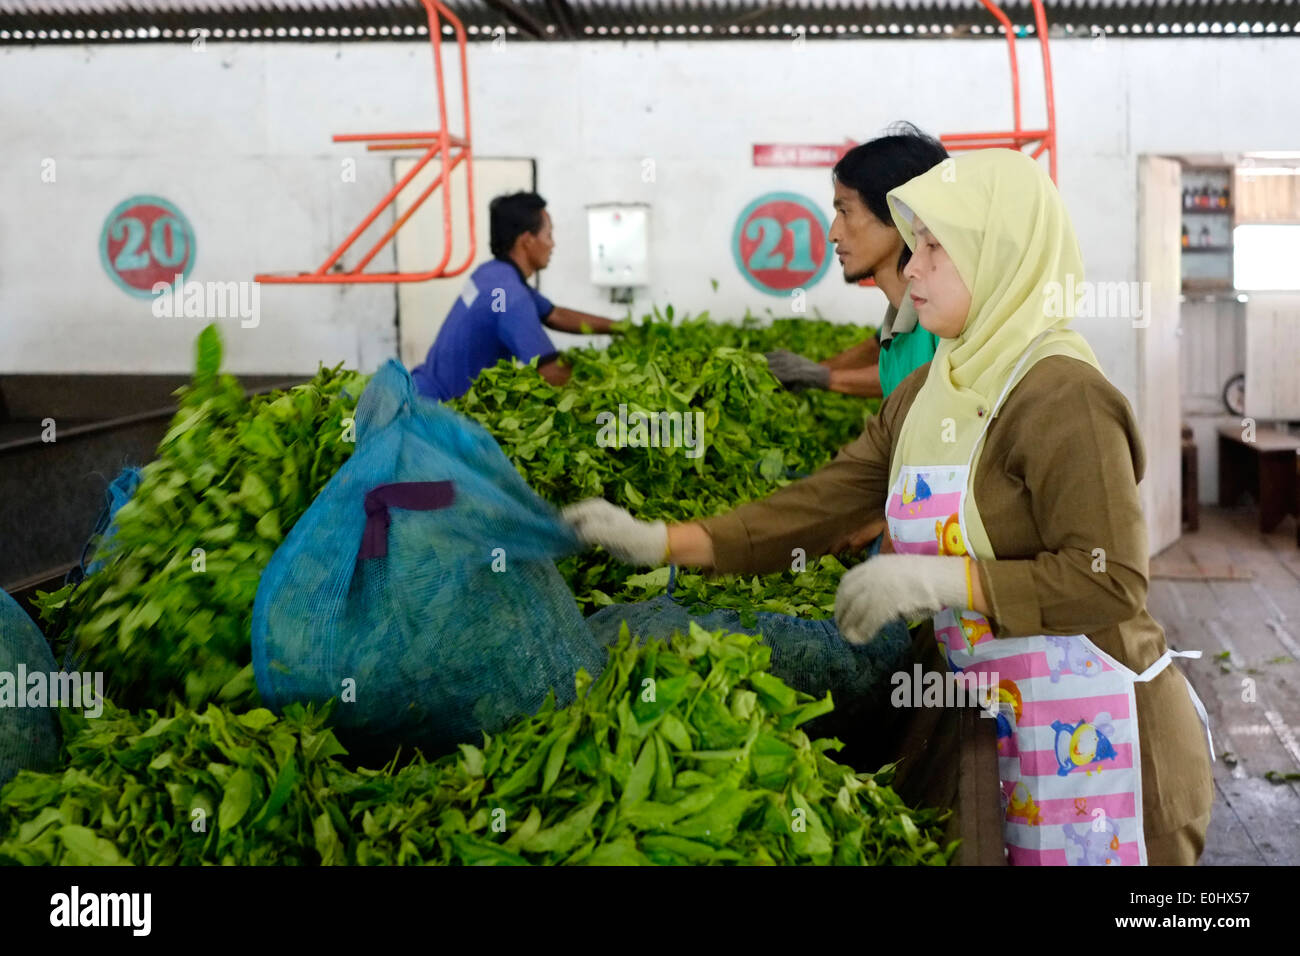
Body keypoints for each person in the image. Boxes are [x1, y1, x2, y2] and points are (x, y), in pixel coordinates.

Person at [563, 149, 1214, 866]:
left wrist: (940, 582)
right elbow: (822, 503)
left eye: (937, 247)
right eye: (917, 245)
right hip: (992, 718)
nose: (912, 268)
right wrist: (663, 541)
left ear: (998, 256)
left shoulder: (1063, 396)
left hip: (1106, 747)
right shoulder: (928, 390)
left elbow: (1109, 582)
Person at [764, 123, 944, 400]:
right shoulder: (895, 335)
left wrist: (821, 375)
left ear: (898, 213)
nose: (833, 234)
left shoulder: (946, 320)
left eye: (845, 211)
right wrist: (814, 371)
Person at [411, 191, 620, 401]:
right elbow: (550, 373)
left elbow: (555, 315)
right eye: (548, 235)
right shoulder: (510, 297)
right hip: (439, 413)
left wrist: (621, 327)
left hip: (423, 390)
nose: (552, 244)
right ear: (527, 240)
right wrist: (611, 382)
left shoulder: (491, 274)